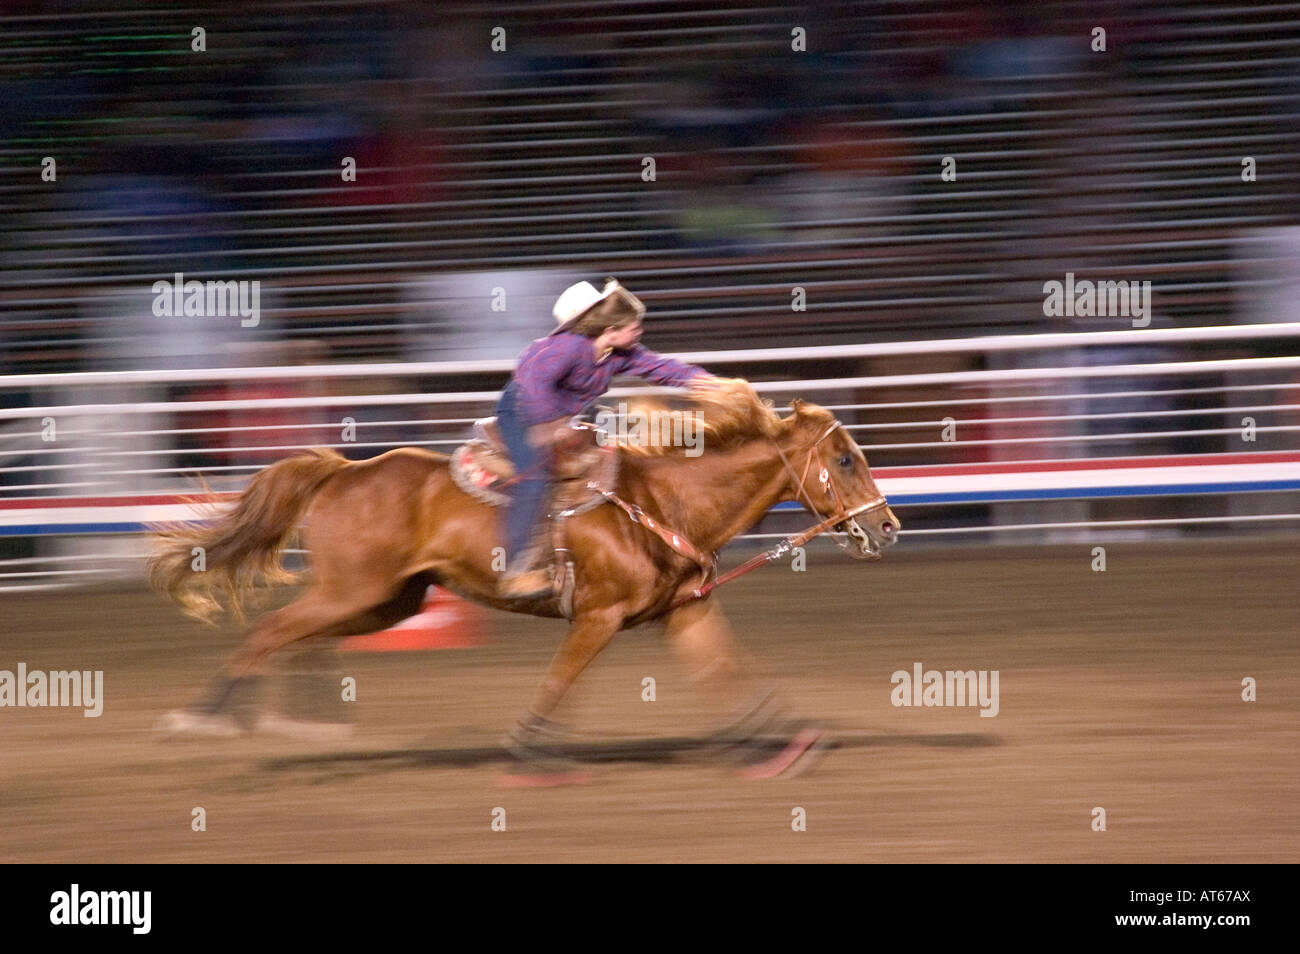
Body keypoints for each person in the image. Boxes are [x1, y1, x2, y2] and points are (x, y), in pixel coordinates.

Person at [495, 278, 720, 598]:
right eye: (633, 325)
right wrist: (552, 423)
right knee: (534, 479)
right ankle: (515, 571)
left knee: (614, 461)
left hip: (561, 418)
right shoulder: (567, 347)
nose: (639, 330)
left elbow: (658, 366)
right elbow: (531, 382)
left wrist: (704, 382)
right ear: (609, 329)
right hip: (521, 415)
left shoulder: (617, 353)